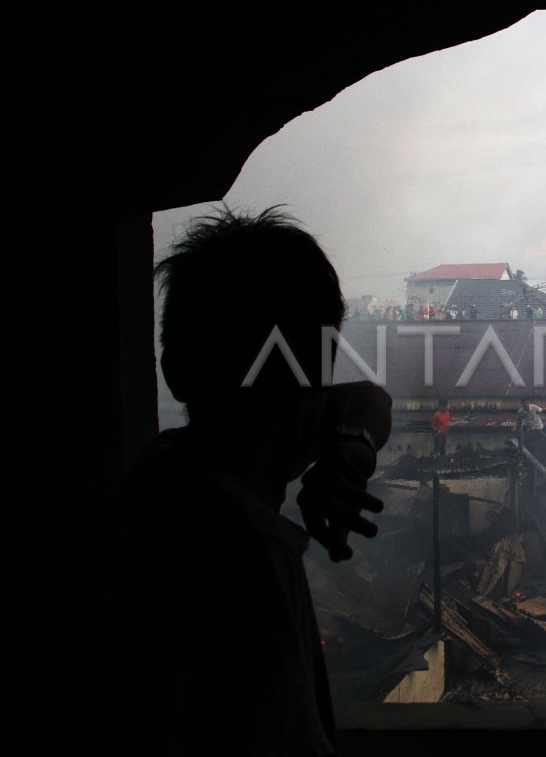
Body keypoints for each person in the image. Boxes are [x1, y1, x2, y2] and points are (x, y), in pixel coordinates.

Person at [110, 207, 392, 756]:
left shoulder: (164, 471)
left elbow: (365, 401)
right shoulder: (245, 548)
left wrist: (350, 444)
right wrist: (344, 442)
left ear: (176, 370)